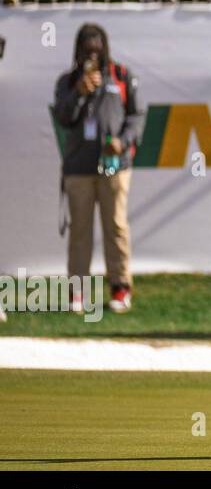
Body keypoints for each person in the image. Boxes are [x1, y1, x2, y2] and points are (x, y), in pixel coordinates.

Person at [52, 24, 144, 315]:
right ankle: (78, 291)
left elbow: (137, 116)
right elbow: (63, 118)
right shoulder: (67, 81)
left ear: (105, 48)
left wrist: (123, 140)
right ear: (78, 51)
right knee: (80, 230)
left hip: (113, 165)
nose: (93, 54)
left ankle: (120, 286)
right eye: (87, 49)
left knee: (115, 226)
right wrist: (79, 92)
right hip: (79, 167)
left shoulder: (121, 76)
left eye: (97, 48)